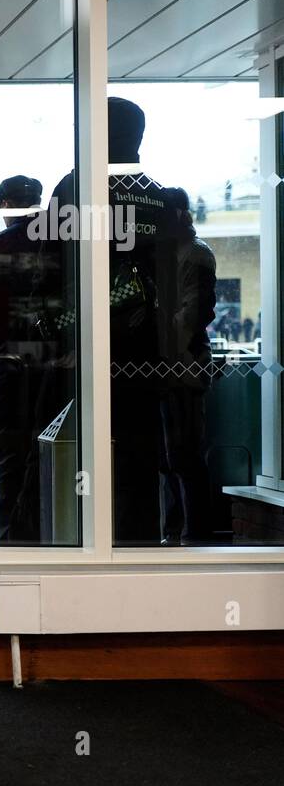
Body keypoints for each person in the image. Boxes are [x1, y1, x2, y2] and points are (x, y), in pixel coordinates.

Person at [49, 97, 186, 546]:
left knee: (82, 453)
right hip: (148, 354)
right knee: (141, 457)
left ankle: (83, 544)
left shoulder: (75, 188)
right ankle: (138, 547)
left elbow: (52, 265)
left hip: (85, 348)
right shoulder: (160, 197)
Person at [0, 175, 72, 544]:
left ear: (6, 206)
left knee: (8, 453)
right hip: (57, 363)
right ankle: (44, 531)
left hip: (10, 361)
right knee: (45, 451)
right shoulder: (60, 243)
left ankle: (7, 536)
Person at [158, 187, 216, 545]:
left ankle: (193, 535)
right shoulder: (173, 253)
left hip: (184, 367)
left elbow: (192, 316)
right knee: (170, 459)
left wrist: (159, 343)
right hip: (172, 366)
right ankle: (176, 532)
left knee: (184, 456)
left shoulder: (195, 254)